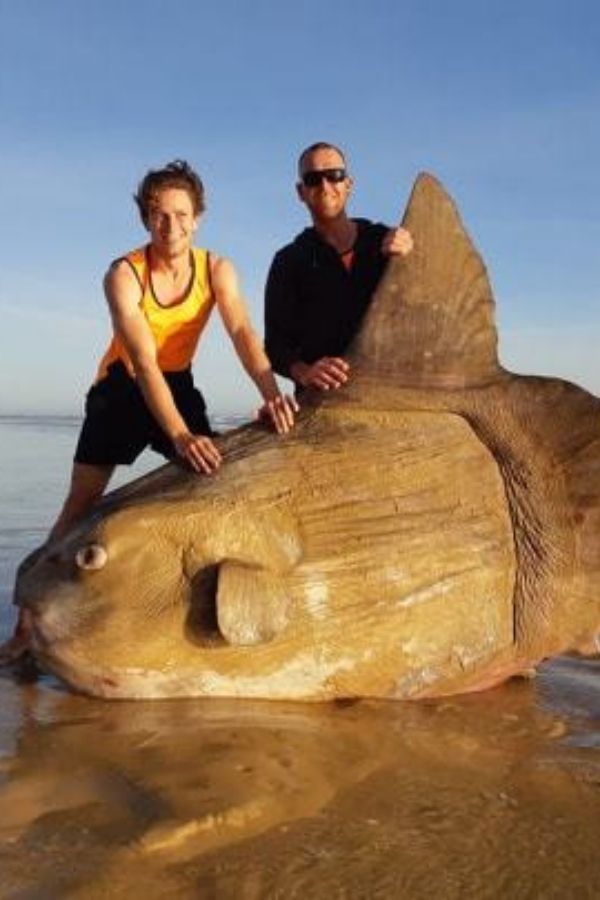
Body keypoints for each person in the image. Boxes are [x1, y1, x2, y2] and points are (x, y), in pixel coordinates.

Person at [1, 159, 296, 664]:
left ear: (198, 218)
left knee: (215, 479)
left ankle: (190, 606)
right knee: (81, 503)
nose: (170, 226)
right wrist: (180, 436)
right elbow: (142, 362)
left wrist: (271, 392)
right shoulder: (124, 274)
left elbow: (242, 332)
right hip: (121, 389)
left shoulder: (217, 269)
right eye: (159, 215)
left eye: (181, 215)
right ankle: (26, 626)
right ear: (145, 219)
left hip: (176, 382)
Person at [265, 142, 414, 392]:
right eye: (313, 179)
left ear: (348, 184)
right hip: (326, 400)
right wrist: (305, 372)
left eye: (334, 175)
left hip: (393, 391)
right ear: (301, 192)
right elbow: (276, 347)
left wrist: (414, 256)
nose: (325, 186)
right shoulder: (288, 261)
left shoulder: (387, 242)